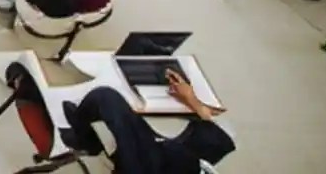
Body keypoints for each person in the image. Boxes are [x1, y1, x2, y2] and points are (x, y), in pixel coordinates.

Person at [65, 74, 234, 173]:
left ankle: (82, 138)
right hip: (175, 163)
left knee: (104, 96)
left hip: (146, 166)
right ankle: (87, 139)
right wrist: (192, 100)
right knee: (217, 141)